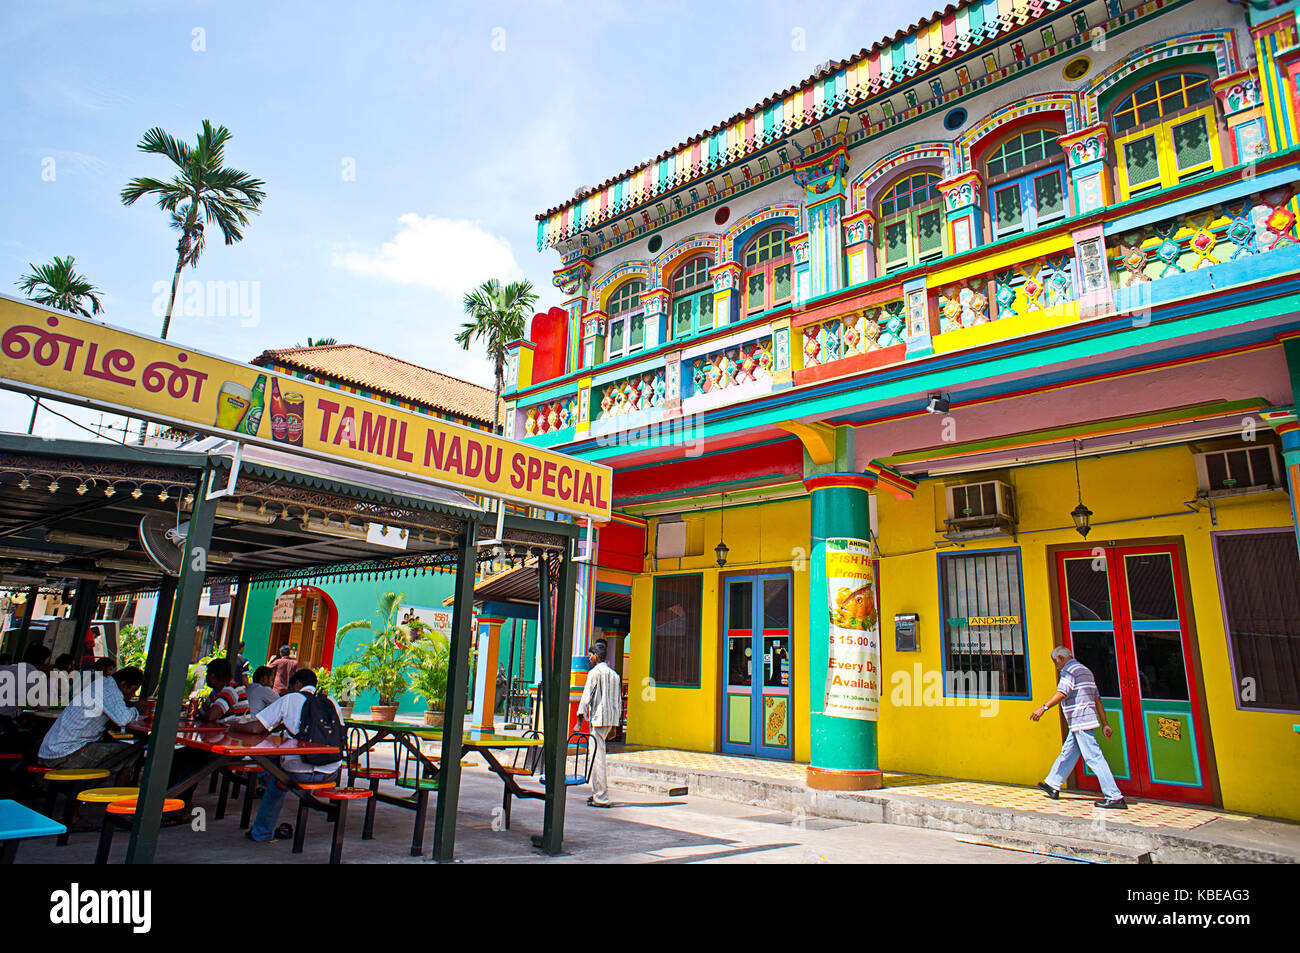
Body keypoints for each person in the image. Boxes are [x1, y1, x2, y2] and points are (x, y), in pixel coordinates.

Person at [240, 668, 345, 843]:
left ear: (297, 684)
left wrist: (233, 727)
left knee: (275, 772)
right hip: (331, 771)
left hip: (297, 771)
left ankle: (262, 832)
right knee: (279, 767)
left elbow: (256, 728)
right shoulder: (332, 702)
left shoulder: (290, 699)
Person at [1031, 646, 1127, 809]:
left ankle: (1114, 795)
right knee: (1068, 752)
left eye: (1056, 661)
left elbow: (1062, 692)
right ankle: (1053, 784)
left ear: (1061, 657)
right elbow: (1097, 699)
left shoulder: (1069, 671)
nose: (1056, 666)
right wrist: (1104, 723)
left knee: (1094, 757)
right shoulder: (1086, 671)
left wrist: (1043, 708)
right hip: (1081, 720)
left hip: (1080, 720)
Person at [38, 666, 144, 775]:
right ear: (123, 684)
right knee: (132, 751)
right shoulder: (109, 690)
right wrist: (137, 709)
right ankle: (119, 789)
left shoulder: (103, 684)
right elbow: (123, 719)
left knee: (120, 750)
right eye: (133, 690)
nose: (133, 695)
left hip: (54, 751)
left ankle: (95, 785)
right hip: (64, 755)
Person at [576, 640, 622, 808]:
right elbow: (618, 701)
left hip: (598, 719)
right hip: (609, 719)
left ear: (596, 656)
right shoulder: (614, 675)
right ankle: (596, 793)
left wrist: (579, 720)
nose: (589, 658)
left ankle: (601, 796)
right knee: (596, 755)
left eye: (590, 655)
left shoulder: (594, 673)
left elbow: (586, 697)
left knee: (597, 757)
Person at [197, 658, 249, 722]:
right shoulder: (216, 692)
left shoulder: (232, 690)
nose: (206, 677)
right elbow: (201, 712)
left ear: (213, 676)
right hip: (222, 730)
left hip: (234, 731)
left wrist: (202, 715)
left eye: (207, 673)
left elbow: (211, 716)